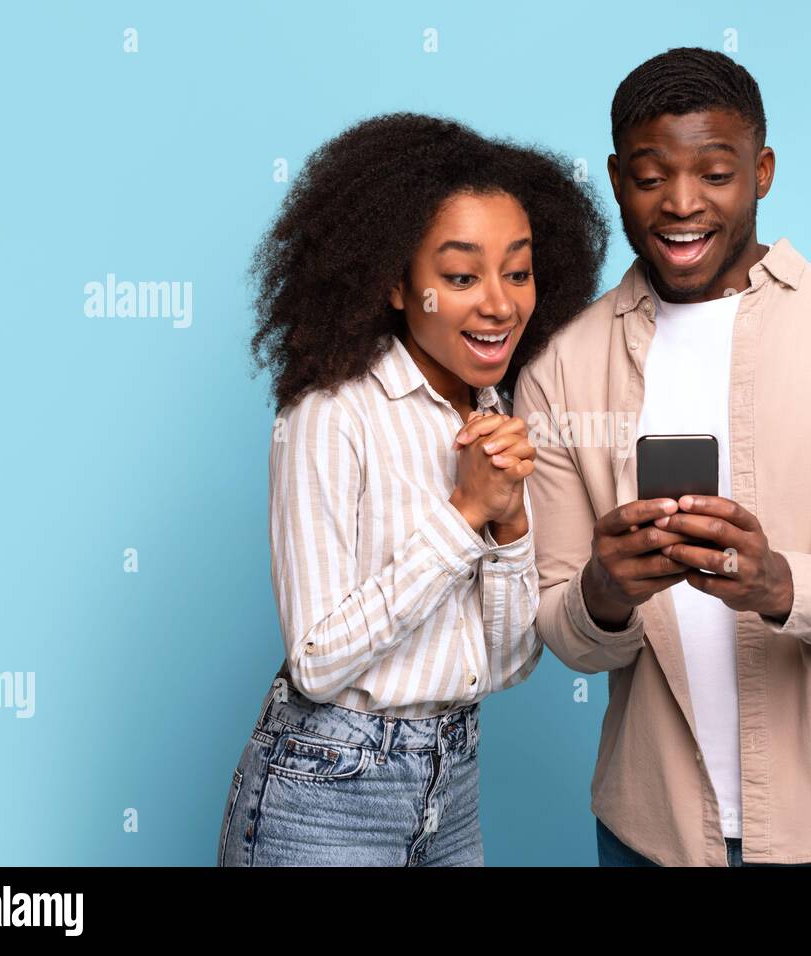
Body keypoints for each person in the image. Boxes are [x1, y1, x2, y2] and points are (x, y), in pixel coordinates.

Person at [513, 48, 811, 866]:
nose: (681, 205)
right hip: (647, 833)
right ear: (617, 179)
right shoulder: (559, 368)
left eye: (715, 173)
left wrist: (782, 584)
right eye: (651, 176)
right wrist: (605, 594)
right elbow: (563, 629)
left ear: (761, 171)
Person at [216, 112, 607, 866]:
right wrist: (464, 516)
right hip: (327, 788)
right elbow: (318, 664)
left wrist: (510, 524)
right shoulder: (330, 416)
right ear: (397, 283)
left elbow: (509, 665)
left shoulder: (494, 415)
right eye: (461, 276)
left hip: (451, 781)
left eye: (518, 272)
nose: (499, 303)